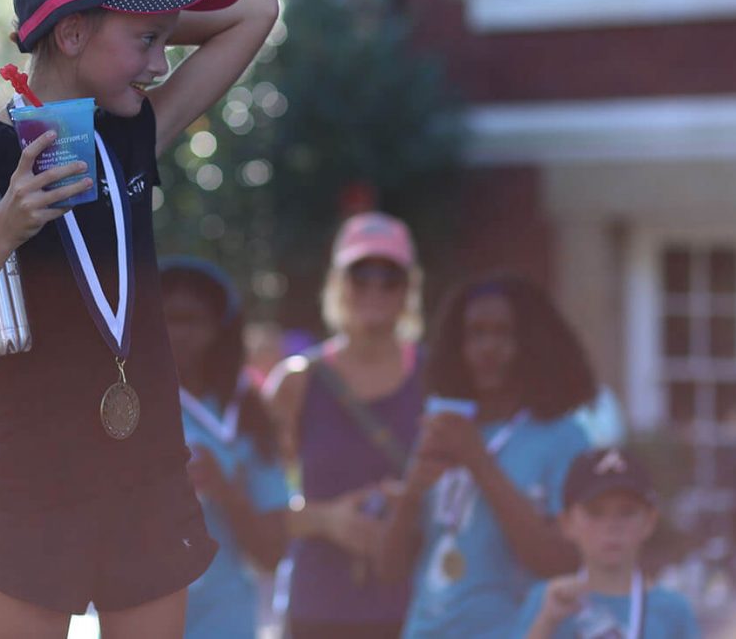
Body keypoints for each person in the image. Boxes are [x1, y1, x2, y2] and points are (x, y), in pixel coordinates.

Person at [0, 0, 278, 638]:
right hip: (33, 484)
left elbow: (258, 10)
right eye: (146, 41)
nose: (161, 63)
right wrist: (2, 232)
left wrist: (131, 20)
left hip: (148, 479)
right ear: (70, 36)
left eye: (165, 39)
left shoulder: (131, 131)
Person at [381, 274, 598, 639]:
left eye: (504, 334)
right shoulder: (444, 427)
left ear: (533, 343)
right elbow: (389, 570)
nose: (487, 348)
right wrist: (410, 495)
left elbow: (558, 562)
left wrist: (479, 463)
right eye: (475, 334)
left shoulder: (564, 437)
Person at [266, 212, 425, 639]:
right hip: (320, 608)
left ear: (409, 288)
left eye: (388, 277)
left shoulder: (438, 378)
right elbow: (257, 509)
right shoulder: (297, 382)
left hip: (419, 608)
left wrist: (410, 508)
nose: (374, 289)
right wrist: (326, 520)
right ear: (337, 284)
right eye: (360, 275)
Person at [160, 258, 289, 639]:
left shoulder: (248, 414)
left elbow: (271, 554)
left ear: (220, 328)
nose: (178, 333)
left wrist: (224, 489)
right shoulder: (125, 407)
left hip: (225, 621)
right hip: (140, 617)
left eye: (192, 320)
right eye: (166, 318)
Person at [517, 447, 699, 639]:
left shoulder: (673, 611)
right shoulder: (547, 601)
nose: (612, 526)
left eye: (627, 512)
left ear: (649, 522)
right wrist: (546, 622)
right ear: (567, 523)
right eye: (595, 512)